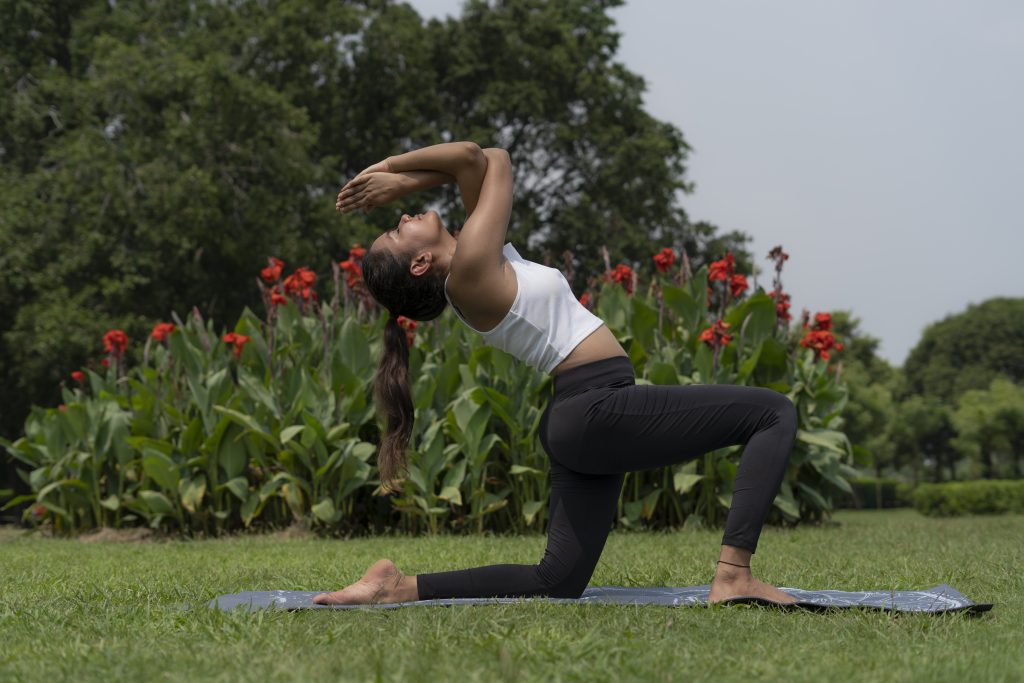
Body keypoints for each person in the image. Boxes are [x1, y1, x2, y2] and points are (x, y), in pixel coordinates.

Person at [313, 141, 798, 606]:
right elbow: (484, 157)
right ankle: (734, 575)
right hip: (597, 406)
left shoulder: (478, 262)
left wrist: (403, 182)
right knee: (773, 413)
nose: (401, 218)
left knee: (557, 580)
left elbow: (475, 166)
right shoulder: (469, 276)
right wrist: (392, 174)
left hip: (580, 414)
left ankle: (397, 586)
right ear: (420, 262)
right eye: (398, 232)